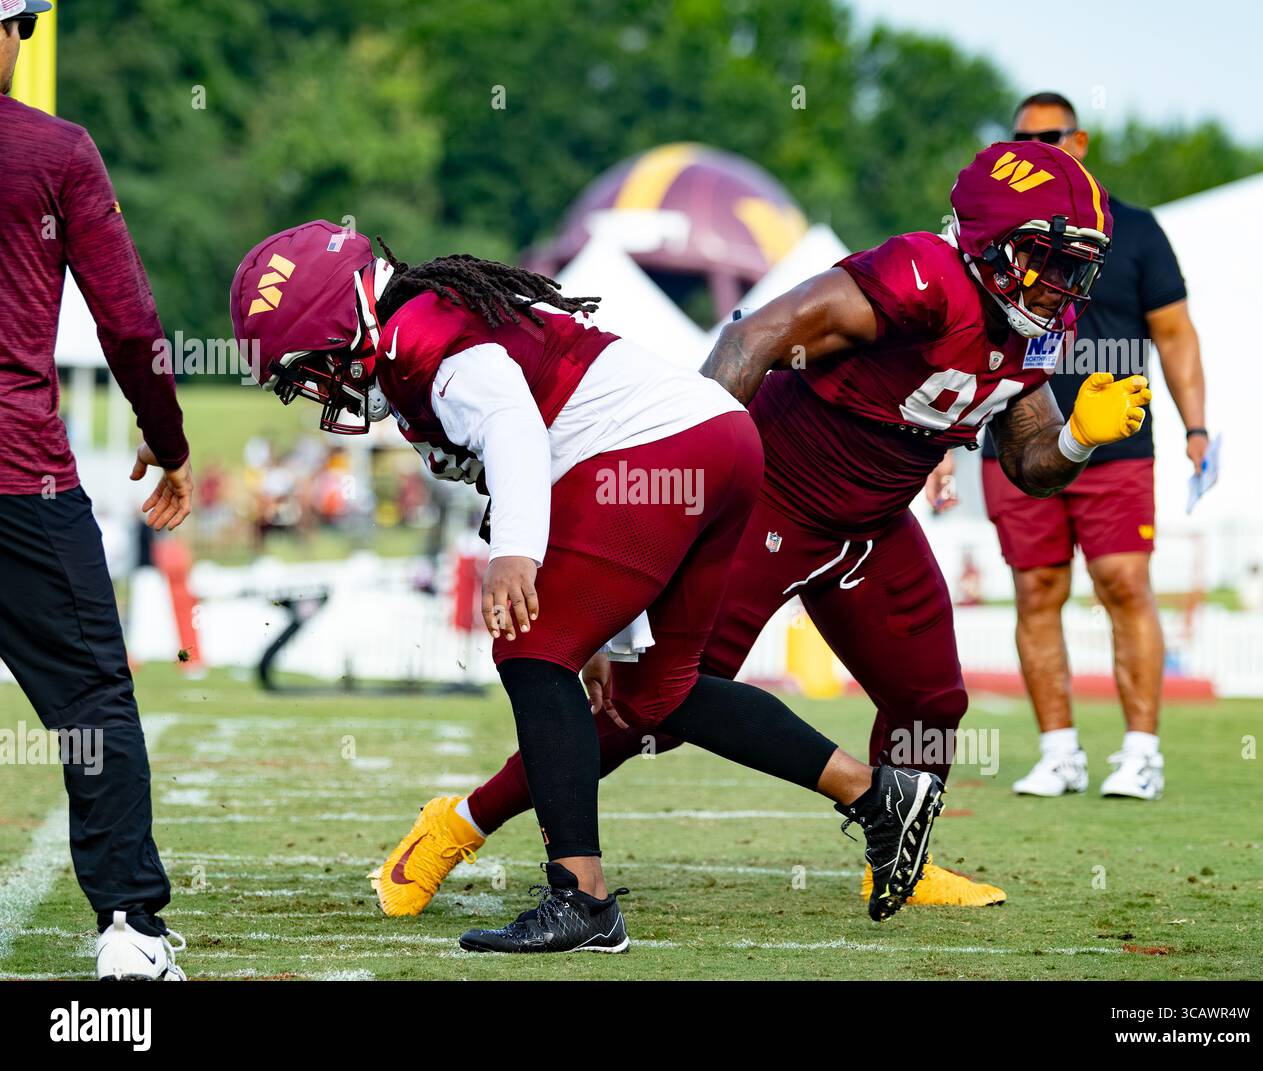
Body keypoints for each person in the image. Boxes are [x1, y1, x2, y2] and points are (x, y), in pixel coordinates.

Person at [368, 141, 1152, 919]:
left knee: (931, 698)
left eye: (1075, 264)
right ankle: (457, 824)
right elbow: (752, 339)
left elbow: (1029, 463)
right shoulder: (922, 279)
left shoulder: (1039, 326)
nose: (1059, 283)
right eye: (1042, 257)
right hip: (769, 500)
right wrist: (687, 500)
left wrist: (1078, 436)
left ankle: (898, 863)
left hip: (872, 524)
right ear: (987, 243)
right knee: (650, 708)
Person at [231, 221, 949, 953]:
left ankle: (582, 898)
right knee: (656, 694)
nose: (320, 387)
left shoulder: (419, 340)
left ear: (345, 314)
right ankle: (876, 792)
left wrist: (514, 553)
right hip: (719, 444)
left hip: (654, 453)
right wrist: (609, 629)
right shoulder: (430, 315)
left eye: (312, 367)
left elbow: (517, 428)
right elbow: (560, 439)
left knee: (528, 648)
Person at [0, 0, 192, 980]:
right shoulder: (54, 151)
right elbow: (127, 320)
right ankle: (129, 927)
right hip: (16, 475)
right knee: (86, 699)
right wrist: (168, 439)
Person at [981, 93, 1209, 801]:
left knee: (1123, 584)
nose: (1034, 147)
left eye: (1047, 137)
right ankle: (1060, 753)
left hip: (1117, 443)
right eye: (1021, 138)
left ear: (1078, 140)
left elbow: (1175, 334)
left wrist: (1196, 428)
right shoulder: (999, 230)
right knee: (1036, 590)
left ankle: (1141, 753)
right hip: (1016, 440)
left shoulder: (1135, 229)